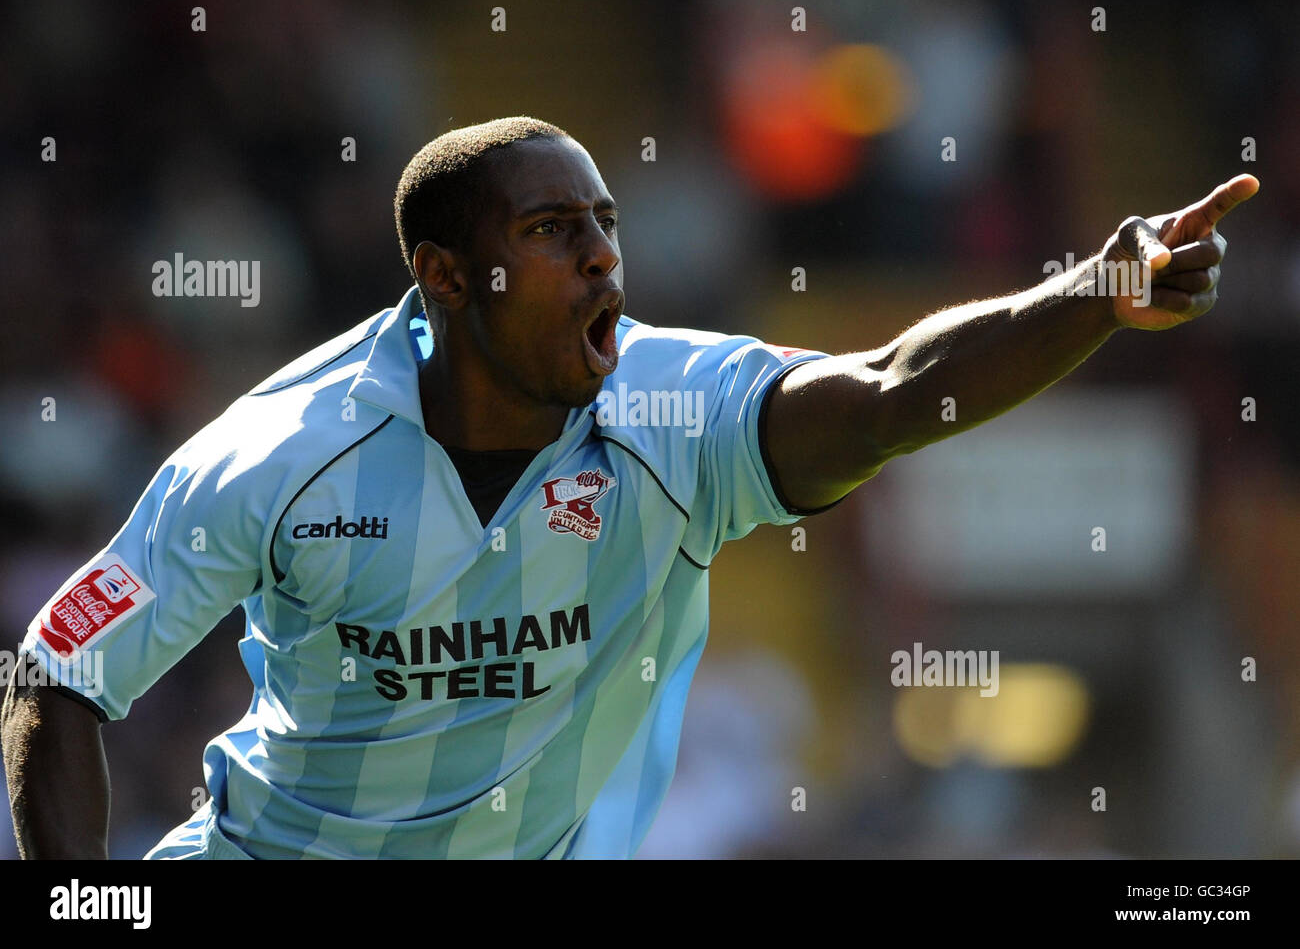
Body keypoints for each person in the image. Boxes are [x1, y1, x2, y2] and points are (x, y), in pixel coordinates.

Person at [1, 116, 1258, 859]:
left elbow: (884, 390)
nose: (602, 257)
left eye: (604, 223)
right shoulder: (274, 455)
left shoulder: (674, 414)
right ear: (445, 278)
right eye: (550, 232)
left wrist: (1093, 292)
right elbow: (58, 673)